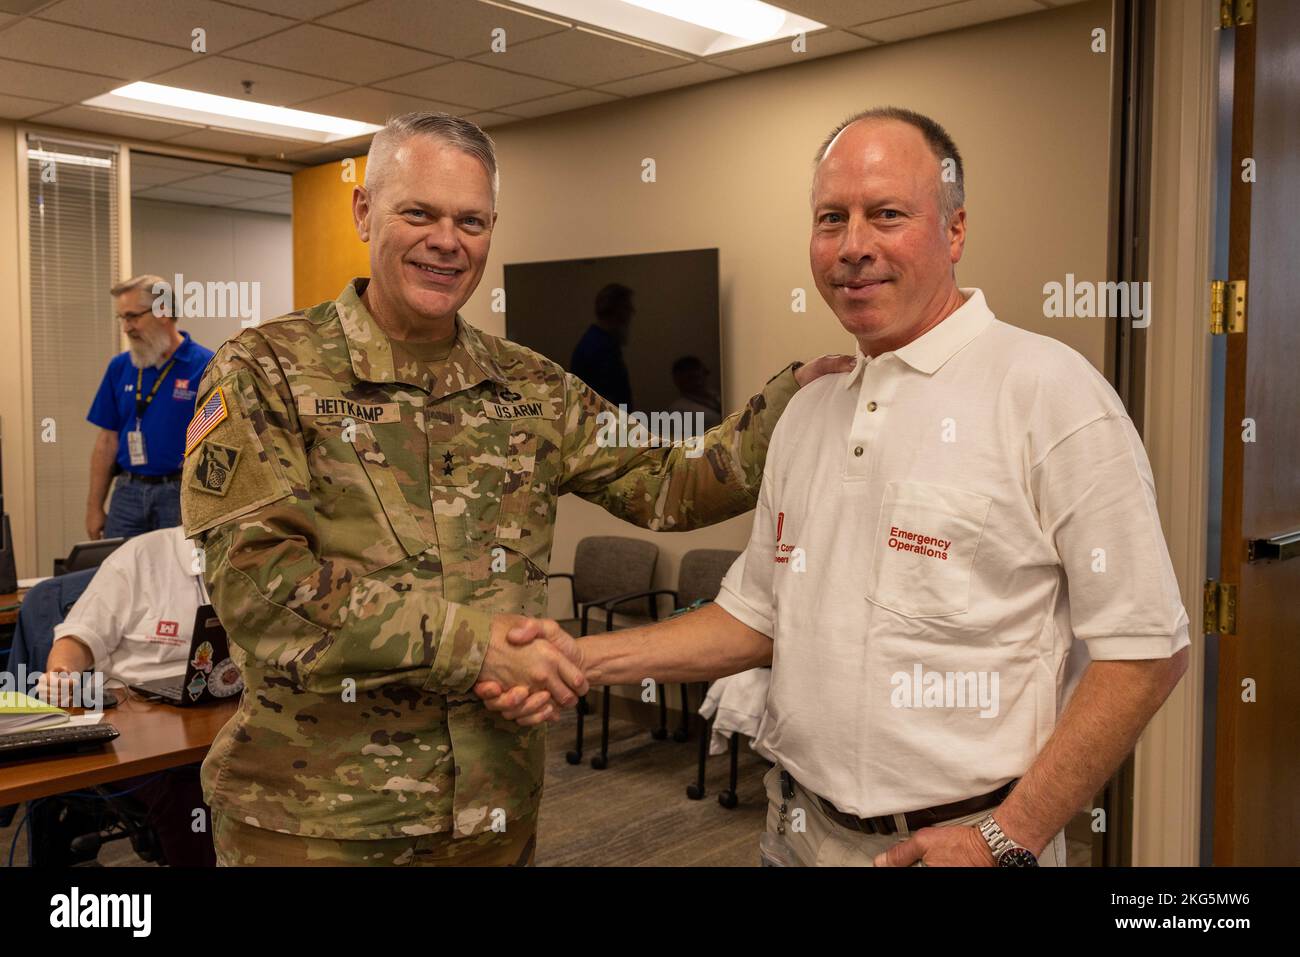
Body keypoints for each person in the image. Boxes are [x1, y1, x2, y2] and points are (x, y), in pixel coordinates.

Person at [480, 107, 1190, 868]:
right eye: (831, 218)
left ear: (954, 230)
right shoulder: (809, 409)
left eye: (888, 214)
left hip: (957, 844)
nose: (854, 247)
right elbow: (753, 619)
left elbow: (1145, 649)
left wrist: (1008, 835)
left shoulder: (1050, 392)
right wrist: (581, 659)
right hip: (793, 829)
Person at [179, 111, 851, 867]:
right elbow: (258, 584)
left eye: (471, 220)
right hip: (319, 825)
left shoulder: (532, 387)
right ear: (365, 211)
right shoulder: (265, 370)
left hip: (494, 814)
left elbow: (670, 483)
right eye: (419, 213)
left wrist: (794, 396)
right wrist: (476, 648)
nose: (446, 241)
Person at [36, 525, 219, 867]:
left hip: (220, 708)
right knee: (191, 792)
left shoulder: (256, 552)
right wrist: (61, 674)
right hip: (139, 725)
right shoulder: (140, 557)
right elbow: (77, 638)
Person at [86, 275, 214, 540]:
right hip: (127, 493)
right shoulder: (120, 367)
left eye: (132, 317)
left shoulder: (206, 366)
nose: (126, 328)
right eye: (121, 318)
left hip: (179, 494)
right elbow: (106, 441)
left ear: (164, 312)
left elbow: (219, 444)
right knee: (117, 573)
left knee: (175, 577)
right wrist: (94, 507)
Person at [570, 282, 635, 408]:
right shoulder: (601, 348)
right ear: (618, 310)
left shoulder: (596, 343)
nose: (632, 311)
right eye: (628, 307)